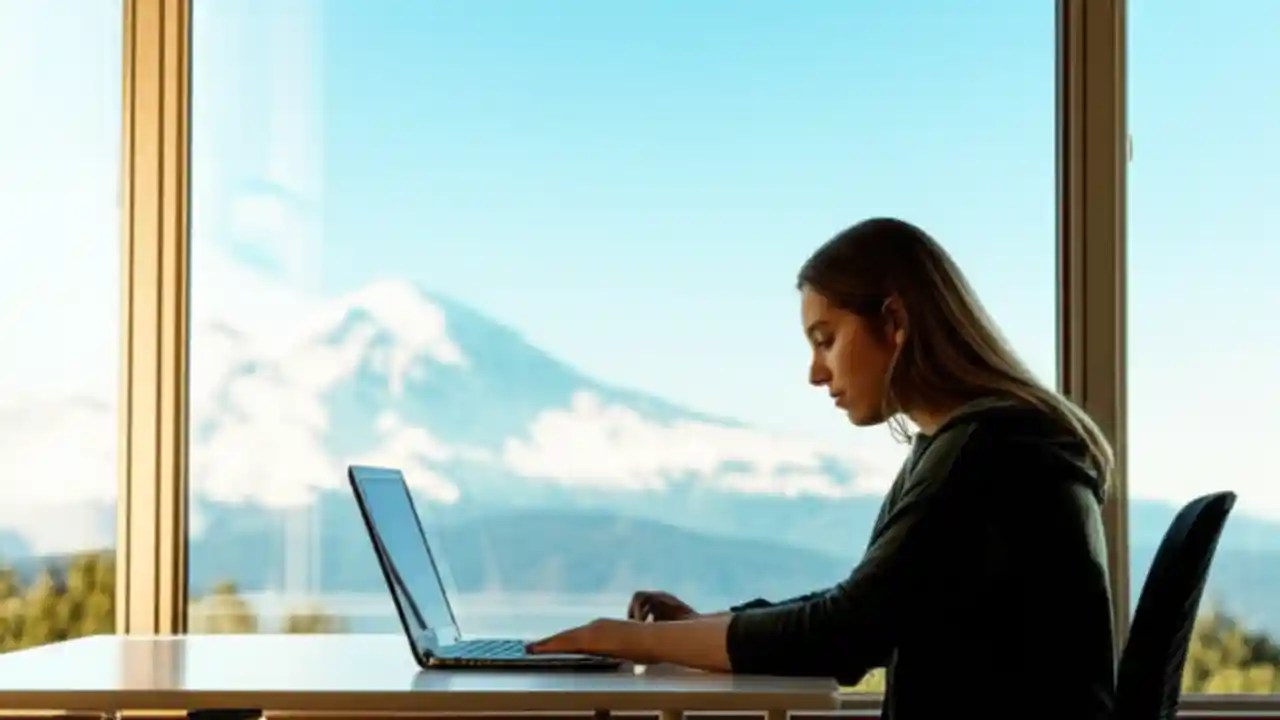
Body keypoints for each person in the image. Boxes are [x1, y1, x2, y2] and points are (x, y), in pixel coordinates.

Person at [526, 217, 1117, 720]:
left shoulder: (984, 452)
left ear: (893, 323)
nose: (815, 372)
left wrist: (639, 642)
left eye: (826, 340)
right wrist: (703, 627)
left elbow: (846, 634)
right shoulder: (972, 442)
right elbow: (866, 605)